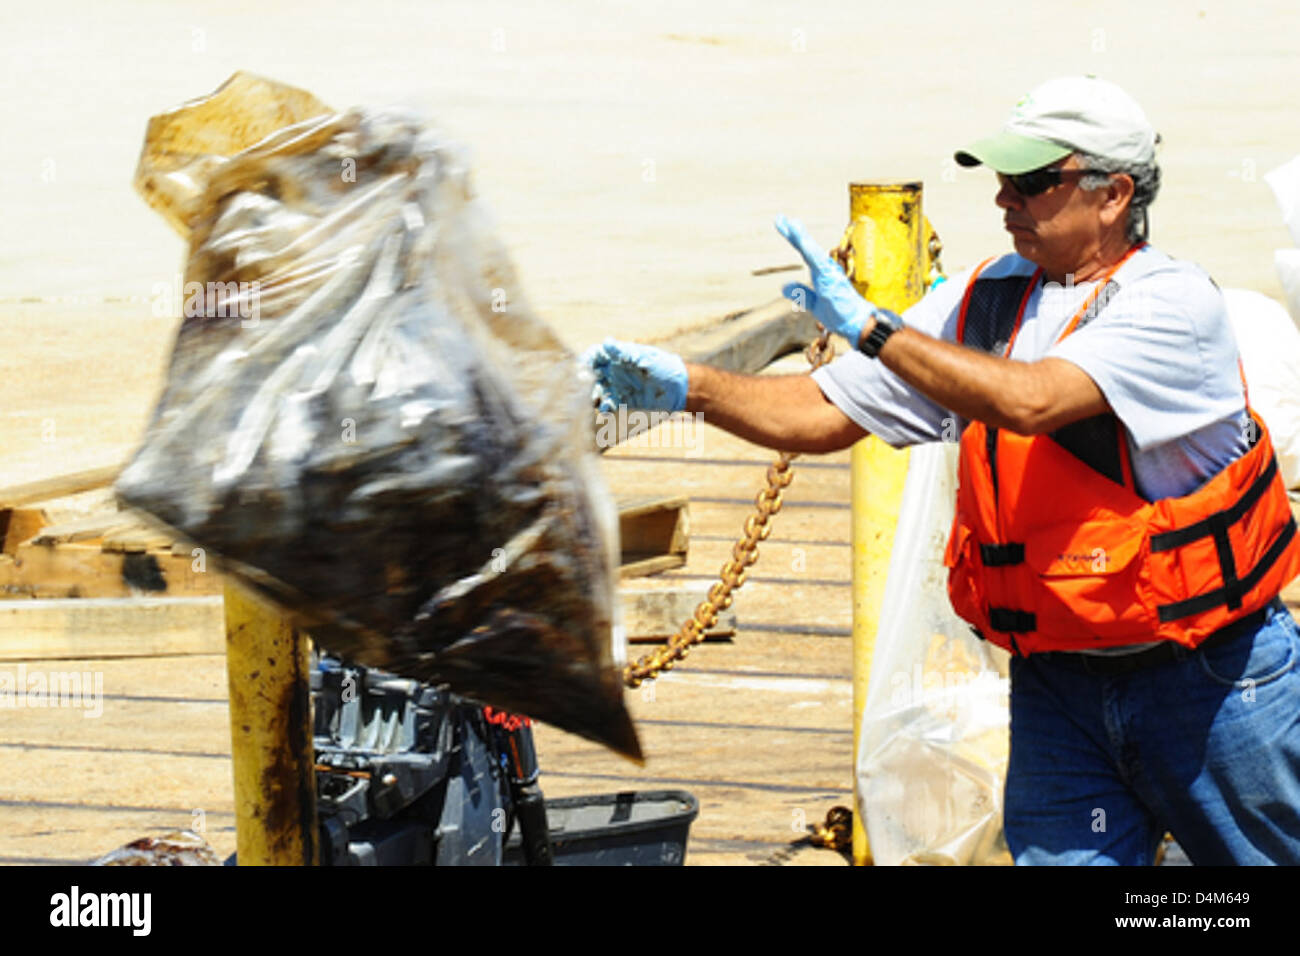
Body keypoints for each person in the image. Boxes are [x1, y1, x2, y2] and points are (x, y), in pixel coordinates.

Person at [582, 75, 1300, 866]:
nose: (1004, 199)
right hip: (1059, 685)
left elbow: (1032, 400)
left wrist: (873, 328)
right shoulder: (987, 301)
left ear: (1113, 194)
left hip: (1211, 684)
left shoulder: (1170, 307)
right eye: (1000, 178)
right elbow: (823, 413)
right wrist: (693, 387)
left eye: (1032, 181)